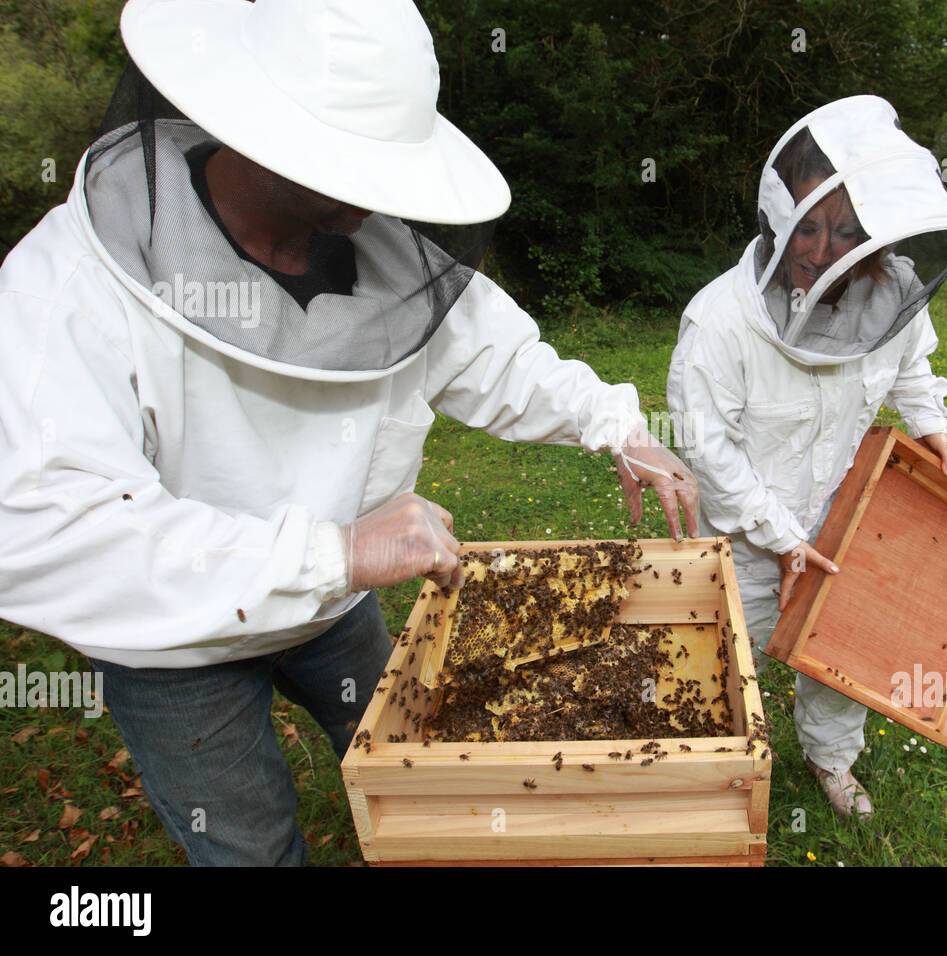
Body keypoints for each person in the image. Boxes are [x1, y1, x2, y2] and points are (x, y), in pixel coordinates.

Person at [0, 0, 698, 865]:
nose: (378, 199)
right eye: (349, 167)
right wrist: (335, 552)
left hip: (335, 608)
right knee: (248, 845)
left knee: (416, 773)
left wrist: (620, 425)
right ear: (257, 136)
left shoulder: (385, 250)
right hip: (175, 645)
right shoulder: (61, 290)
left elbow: (501, 357)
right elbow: (42, 528)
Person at [666, 96, 947, 820]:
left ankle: (830, 759)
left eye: (844, 231)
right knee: (719, 655)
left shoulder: (893, 292)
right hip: (742, 536)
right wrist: (779, 537)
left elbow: (911, 363)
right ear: (779, 219)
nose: (819, 249)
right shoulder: (719, 322)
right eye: (807, 226)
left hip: (844, 515)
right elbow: (708, 451)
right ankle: (718, 766)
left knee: (840, 651)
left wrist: (930, 424)